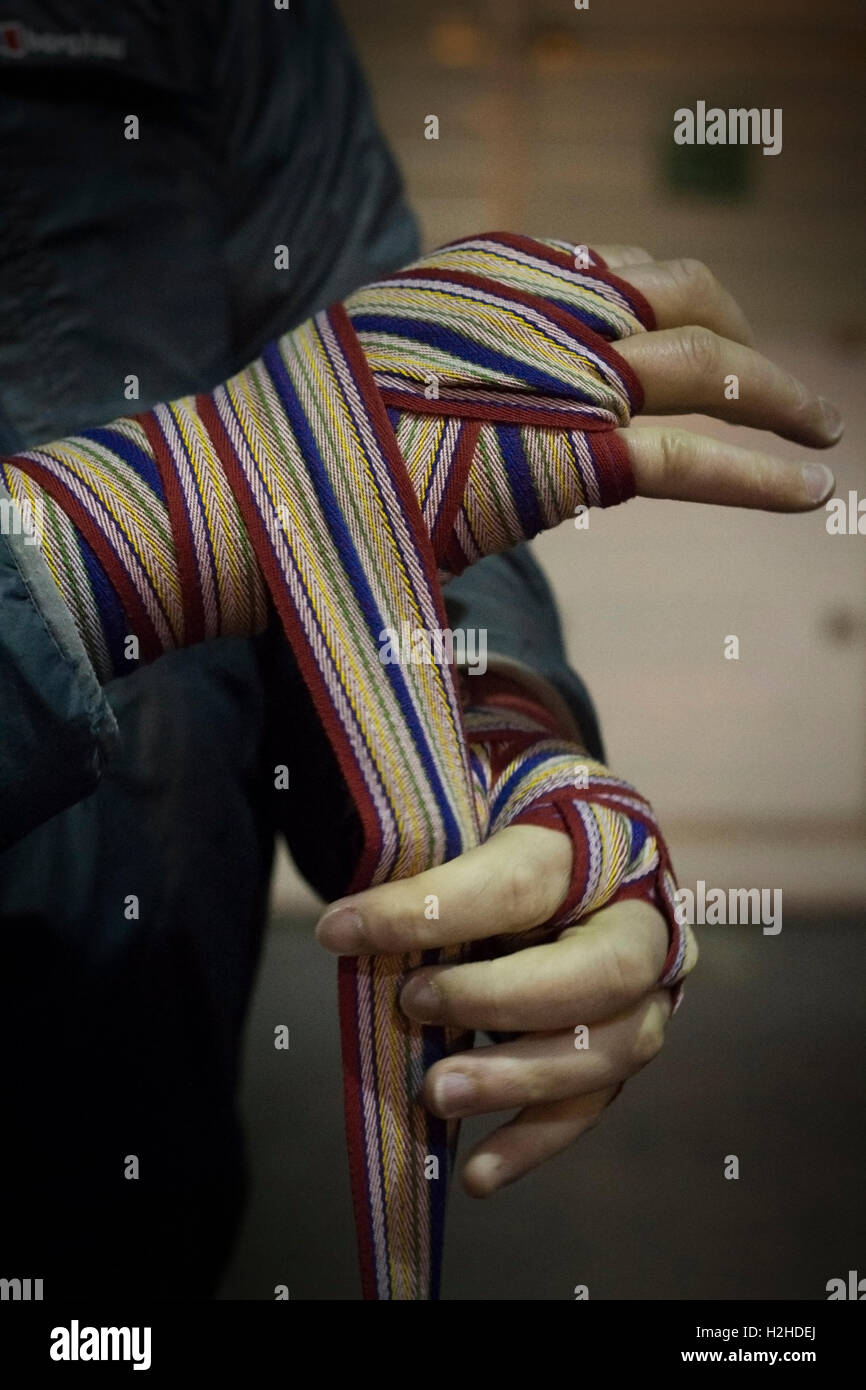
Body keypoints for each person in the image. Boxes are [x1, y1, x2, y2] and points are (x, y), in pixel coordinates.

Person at [0, 1, 841, 1300]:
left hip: (126, 1146)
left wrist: (496, 746)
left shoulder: (233, 28)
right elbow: (275, 481)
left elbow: (373, 470)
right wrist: (143, 529)